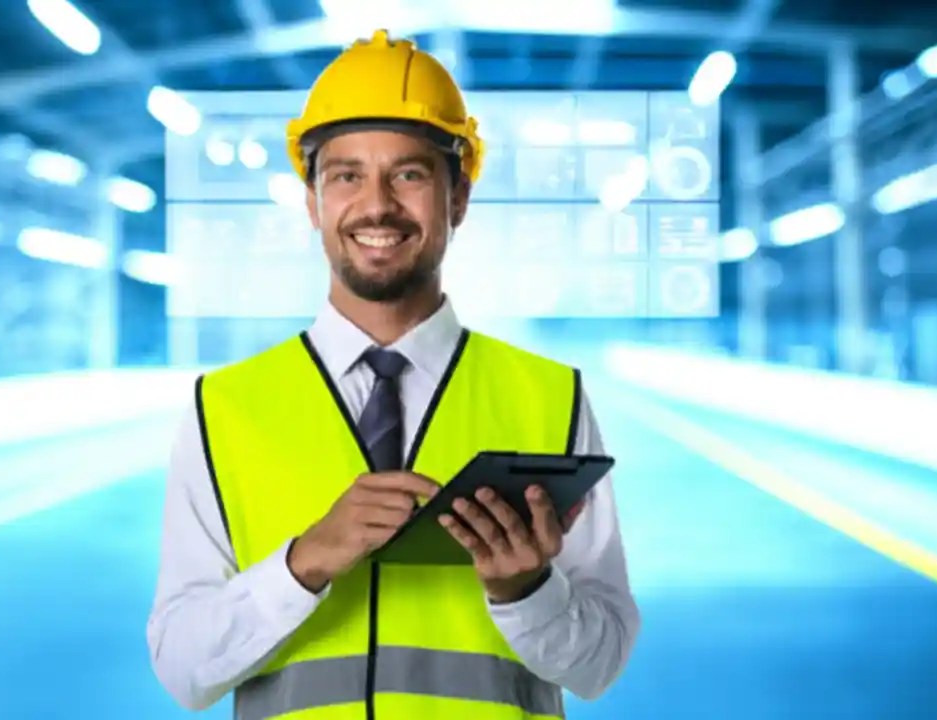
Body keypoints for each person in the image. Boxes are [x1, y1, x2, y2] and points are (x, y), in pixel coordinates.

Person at [146, 28, 639, 720]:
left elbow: (601, 662)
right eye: (346, 175)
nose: (376, 205)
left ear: (457, 200)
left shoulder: (551, 397)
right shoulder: (223, 408)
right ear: (314, 203)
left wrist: (527, 591)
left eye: (408, 173)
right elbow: (182, 669)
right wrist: (303, 563)